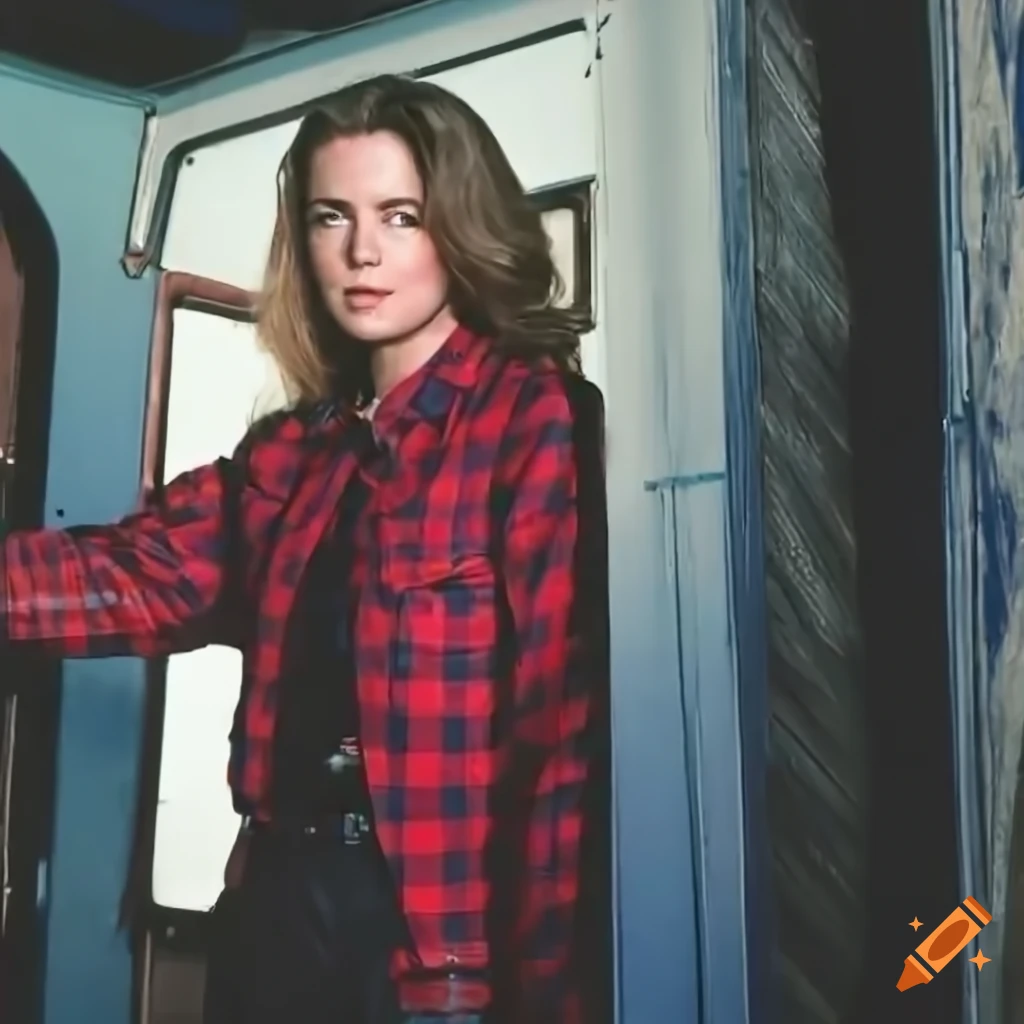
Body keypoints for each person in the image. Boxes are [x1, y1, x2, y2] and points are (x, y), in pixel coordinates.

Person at [0, 75, 609, 1024]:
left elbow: (560, 740)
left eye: (400, 215)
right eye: (333, 216)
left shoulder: (535, 424)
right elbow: (129, 575)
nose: (362, 251)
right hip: (278, 911)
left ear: (460, 224)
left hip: (435, 944)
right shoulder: (297, 451)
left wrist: (547, 999)